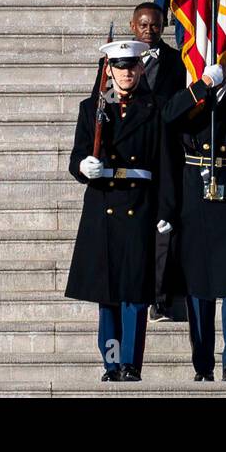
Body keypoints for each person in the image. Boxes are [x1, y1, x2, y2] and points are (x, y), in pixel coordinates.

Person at [65, 40, 179, 382]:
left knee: (134, 293)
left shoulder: (155, 109)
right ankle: (111, 362)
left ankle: (131, 363)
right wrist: (84, 166)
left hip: (138, 204)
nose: (126, 73)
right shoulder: (92, 109)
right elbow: (76, 156)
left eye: (132, 67)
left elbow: (165, 164)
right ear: (108, 70)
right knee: (108, 295)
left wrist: (166, 208)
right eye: (119, 67)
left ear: (141, 69)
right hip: (103, 206)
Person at [163, 59, 226, 381]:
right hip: (196, 200)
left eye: (219, 65)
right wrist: (202, 86)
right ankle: (202, 363)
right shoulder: (189, 101)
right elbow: (167, 118)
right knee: (199, 287)